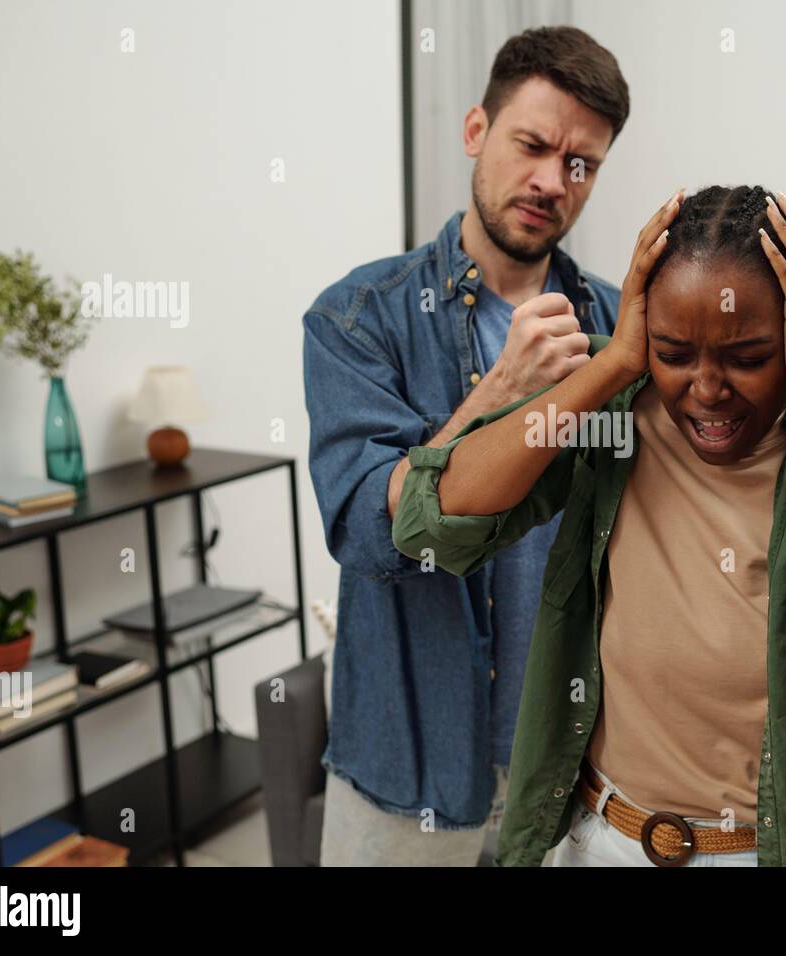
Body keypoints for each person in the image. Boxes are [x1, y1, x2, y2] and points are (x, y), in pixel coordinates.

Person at [392, 184, 786, 866]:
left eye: (747, 357)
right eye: (674, 353)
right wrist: (620, 362)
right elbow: (430, 527)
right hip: (597, 838)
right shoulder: (614, 410)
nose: (708, 388)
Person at [302, 26, 629, 866]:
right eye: (533, 145)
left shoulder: (622, 327)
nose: (553, 180)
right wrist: (500, 391)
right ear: (476, 130)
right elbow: (370, 534)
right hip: (404, 762)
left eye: (581, 163)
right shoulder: (356, 317)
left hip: (572, 765)